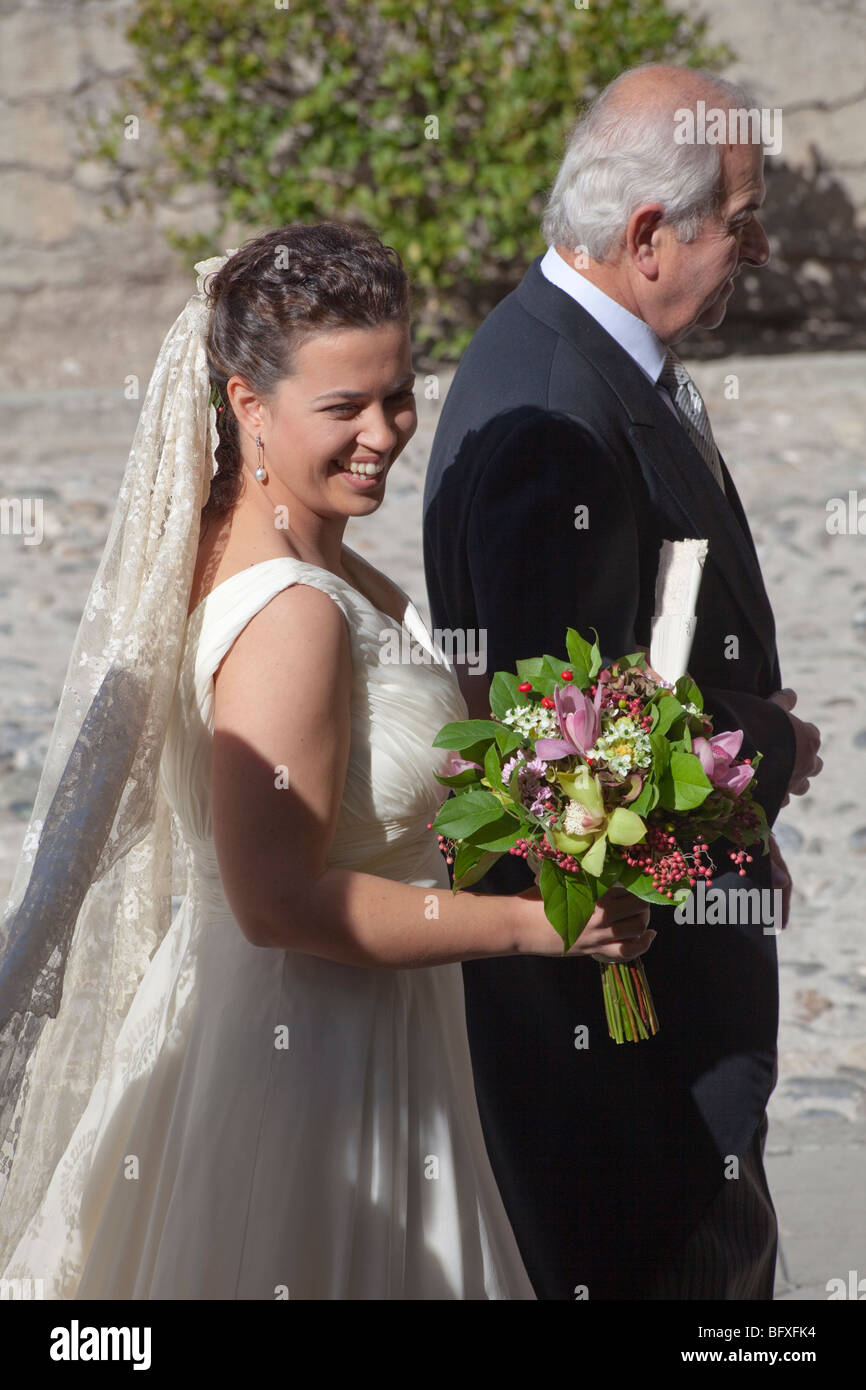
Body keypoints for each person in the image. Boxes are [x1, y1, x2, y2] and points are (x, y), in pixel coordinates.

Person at [0, 222, 655, 1300]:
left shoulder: (293, 545)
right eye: (341, 407)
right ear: (246, 405)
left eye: (396, 394)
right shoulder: (292, 613)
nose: (383, 433)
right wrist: (533, 925)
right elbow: (279, 901)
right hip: (310, 1063)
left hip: (334, 1029)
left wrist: (596, 764)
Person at [422, 65, 823, 1300]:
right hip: (623, 1012)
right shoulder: (551, 409)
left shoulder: (589, 352)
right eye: (738, 222)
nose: (755, 250)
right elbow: (560, 733)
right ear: (647, 235)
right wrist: (762, 749)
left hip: (676, 936)